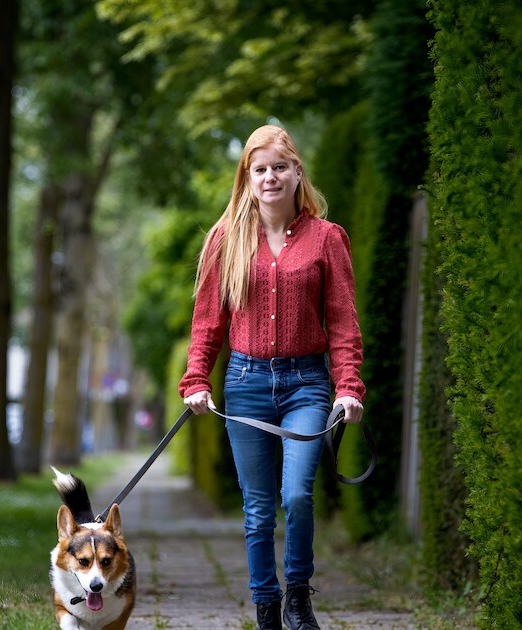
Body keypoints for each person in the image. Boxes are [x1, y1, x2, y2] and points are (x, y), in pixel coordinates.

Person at [179, 124, 365, 630]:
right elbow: (207, 322)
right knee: (259, 510)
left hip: (307, 382)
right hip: (245, 384)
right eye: (259, 169)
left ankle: (298, 598)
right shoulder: (226, 240)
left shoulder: (328, 239)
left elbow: (344, 321)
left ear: (297, 172)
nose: (270, 177)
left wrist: (348, 387)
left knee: (298, 496)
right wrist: (196, 378)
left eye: (279, 167)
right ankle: (266, 608)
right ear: (246, 178)